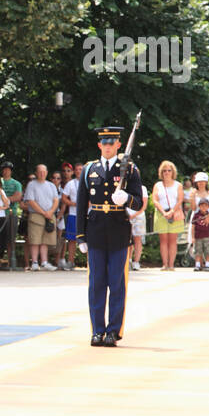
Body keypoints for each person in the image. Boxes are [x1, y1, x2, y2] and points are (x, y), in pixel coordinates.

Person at [76, 125, 145, 347]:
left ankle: (114, 331)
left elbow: (139, 202)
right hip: (95, 231)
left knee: (117, 283)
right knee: (96, 284)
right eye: (103, 143)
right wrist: (80, 236)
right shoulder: (89, 169)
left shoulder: (129, 169)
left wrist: (125, 198)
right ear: (99, 145)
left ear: (118, 145)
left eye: (111, 142)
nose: (107, 146)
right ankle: (97, 330)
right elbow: (80, 204)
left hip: (118, 231)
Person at [23, 164, 59, 271]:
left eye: (44, 171)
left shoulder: (51, 185)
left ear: (47, 172)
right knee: (35, 239)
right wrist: (44, 212)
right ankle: (34, 262)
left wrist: (50, 212)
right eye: (40, 171)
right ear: (36, 173)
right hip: (36, 215)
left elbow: (56, 200)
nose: (42, 173)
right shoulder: (31, 185)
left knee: (45, 240)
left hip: (49, 215)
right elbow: (30, 201)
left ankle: (44, 262)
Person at [152, 161, 184, 270]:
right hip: (161, 214)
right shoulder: (157, 185)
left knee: (173, 240)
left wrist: (171, 211)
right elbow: (155, 200)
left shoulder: (178, 185)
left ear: (173, 172)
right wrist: (164, 212)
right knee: (163, 240)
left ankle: (171, 265)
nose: (166, 172)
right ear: (161, 172)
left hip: (175, 214)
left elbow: (180, 200)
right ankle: (165, 264)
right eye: (164, 170)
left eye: (169, 170)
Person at [60, 162, 81, 270]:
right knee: (72, 240)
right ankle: (70, 261)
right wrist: (73, 204)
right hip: (73, 214)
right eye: (77, 169)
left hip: (87, 214)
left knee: (89, 239)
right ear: (74, 171)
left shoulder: (90, 182)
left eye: (80, 169)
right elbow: (64, 198)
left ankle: (91, 263)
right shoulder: (70, 184)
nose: (78, 171)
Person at [126, 178, 148, 271]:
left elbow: (144, 205)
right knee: (127, 240)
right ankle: (128, 260)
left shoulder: (142, 188)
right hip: (126, 215)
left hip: (138, 216)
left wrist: (134, 215)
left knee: (137, 239)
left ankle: (136, 262)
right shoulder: (124, 188)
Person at [189, 196, 209, 270]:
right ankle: (197, 265)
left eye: (205, 205)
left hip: (207, 236)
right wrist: (193, 237)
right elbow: (193, 226)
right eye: (202, 205)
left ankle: (207, 264)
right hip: (198, 236)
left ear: (208, 207)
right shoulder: (196, 215)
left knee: (208, 250)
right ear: (199, 206)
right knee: (198, 251)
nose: (204, 207)